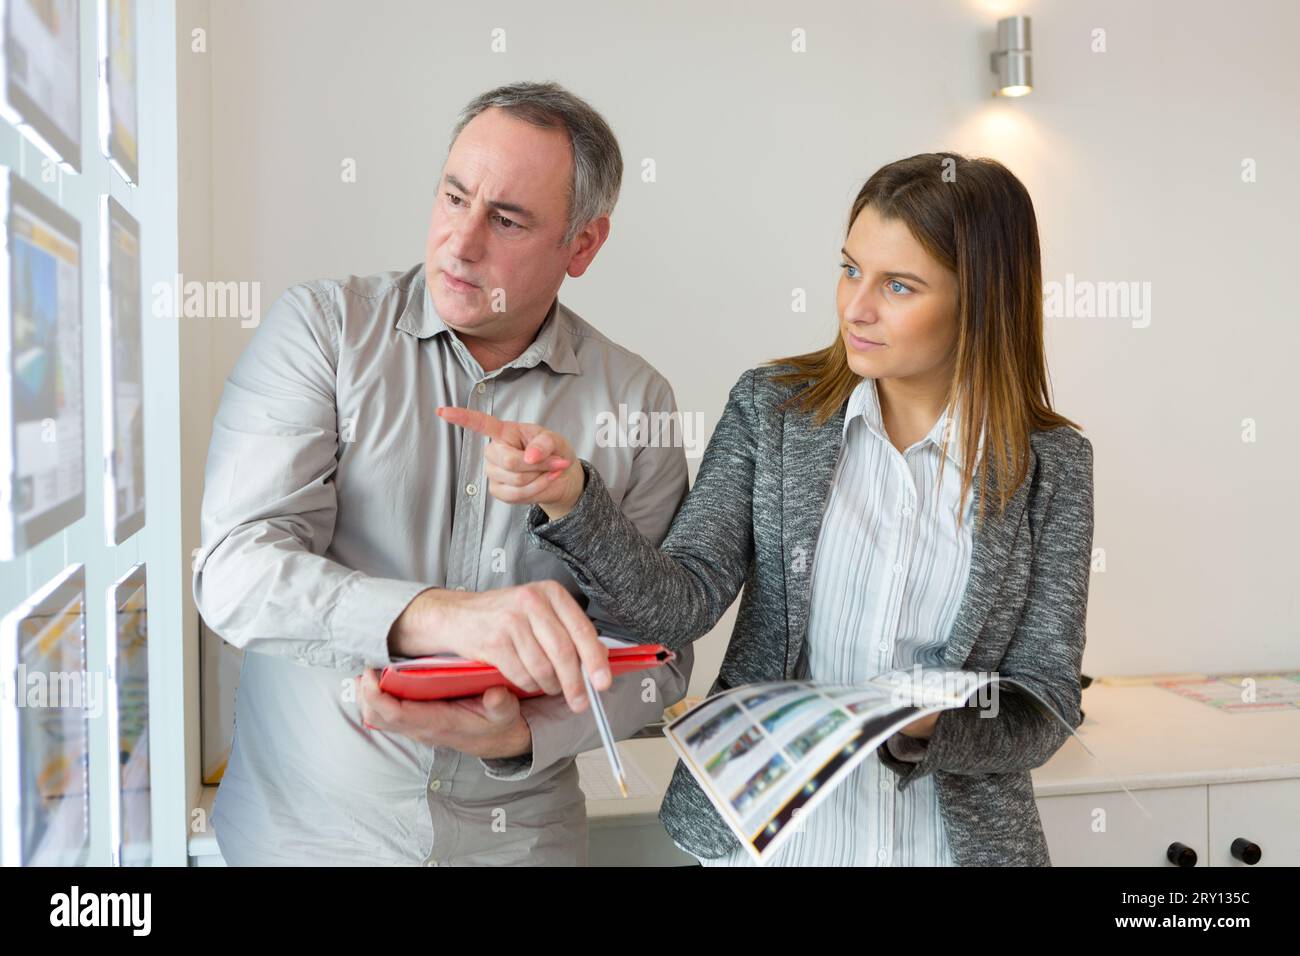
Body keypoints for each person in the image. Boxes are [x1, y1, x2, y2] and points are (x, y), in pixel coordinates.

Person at [440, 152, 1095, 866]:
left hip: (951, 847)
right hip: (769, 844)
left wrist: (929, 728)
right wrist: (571, 497)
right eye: (850, 270)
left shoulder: (1050, 465)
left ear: (983, 300)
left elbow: (1045, 701)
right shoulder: (774, 411)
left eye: (899, 286)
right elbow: (679, 603)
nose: (857, 307)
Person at [192, 81, 692, 866]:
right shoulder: (322, 331)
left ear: (583, 246)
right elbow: (233, 574)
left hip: (521, 847)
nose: (460, 243)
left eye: (507, 219)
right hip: (304, 843)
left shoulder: (638, 401)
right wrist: (446, 616)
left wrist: (528, 732)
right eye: (454, 197)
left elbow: (661, 659)